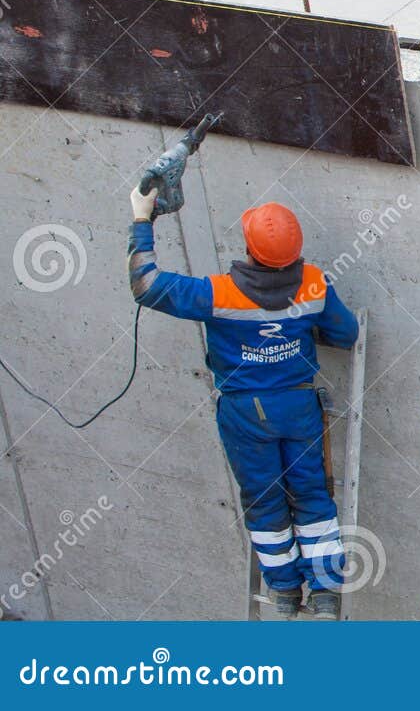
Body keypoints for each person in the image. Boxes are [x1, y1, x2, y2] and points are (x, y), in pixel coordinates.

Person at [127, 190, 359, 619]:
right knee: (312, 495)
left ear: (250, 248)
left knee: (265, 500)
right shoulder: (314, 284)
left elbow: (147, 286)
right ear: (297, 248)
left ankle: (285, 593)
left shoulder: (217, 294)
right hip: (298, 407)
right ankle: (326, 591)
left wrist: (143, 218)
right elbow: (345, 335)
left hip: (246, 414)